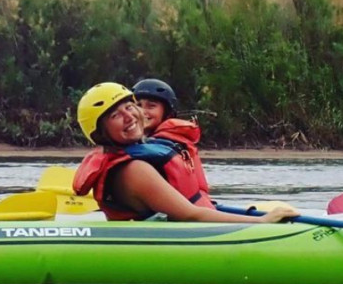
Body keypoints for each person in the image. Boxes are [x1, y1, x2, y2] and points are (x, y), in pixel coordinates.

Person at [73, 82, 298, 224]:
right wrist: (263, 222)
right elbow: (191, 215)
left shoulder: (135, 158)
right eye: (115, 115)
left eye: (129, 107)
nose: (129, 116)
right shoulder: (133, 170)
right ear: (101, 133)